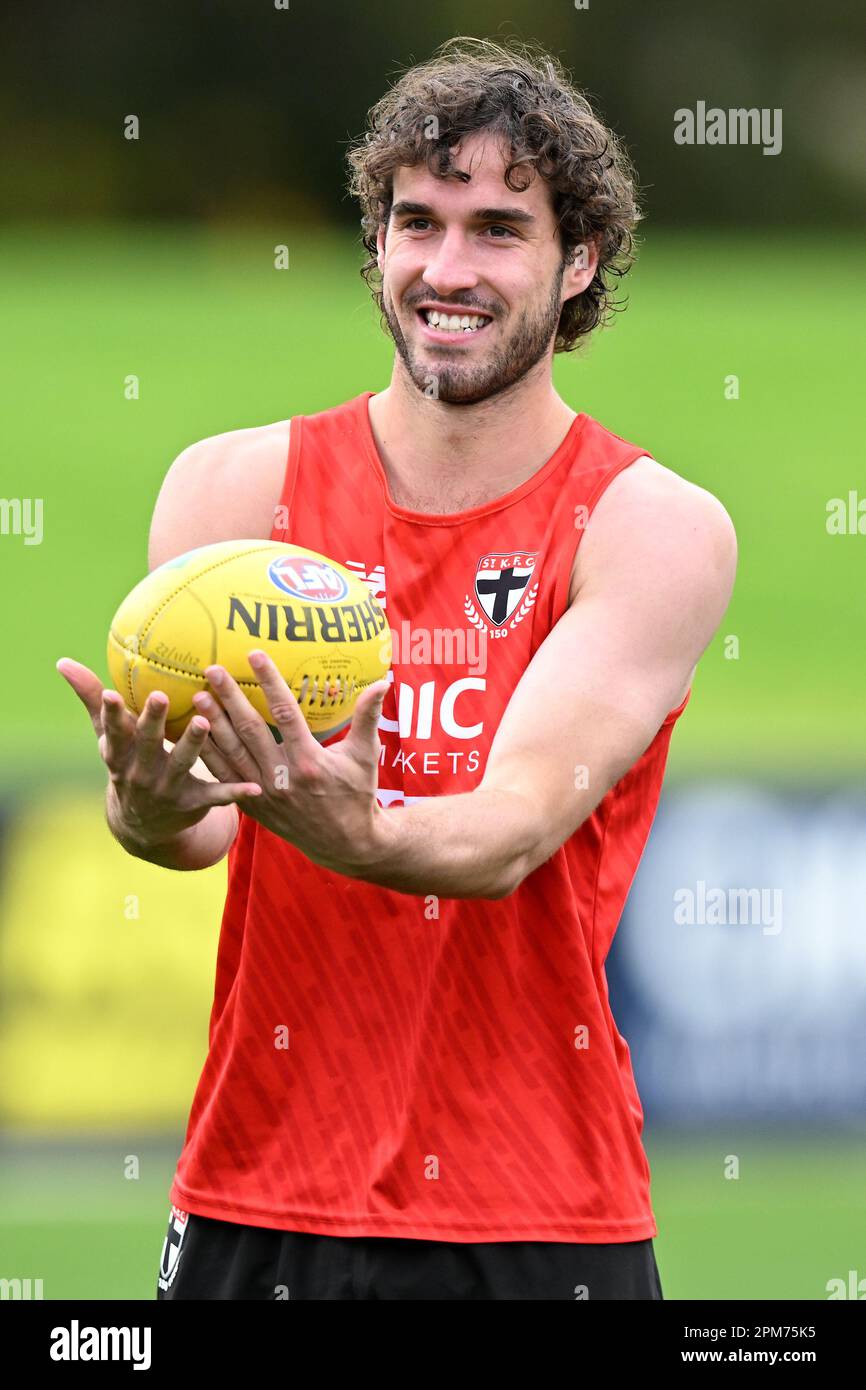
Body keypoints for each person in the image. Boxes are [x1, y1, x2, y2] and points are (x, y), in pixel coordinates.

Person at [57, 36, 736, 1300]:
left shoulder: (651, 526)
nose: (446, 268)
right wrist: (146, 805)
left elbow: (505, 833)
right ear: (375, 246)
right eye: (415, 222)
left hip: (541, 1217)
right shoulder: (232, 491)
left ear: (576, 262)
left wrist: (354, 826)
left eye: (495, 229)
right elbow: (193, 835)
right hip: (258, 1195)